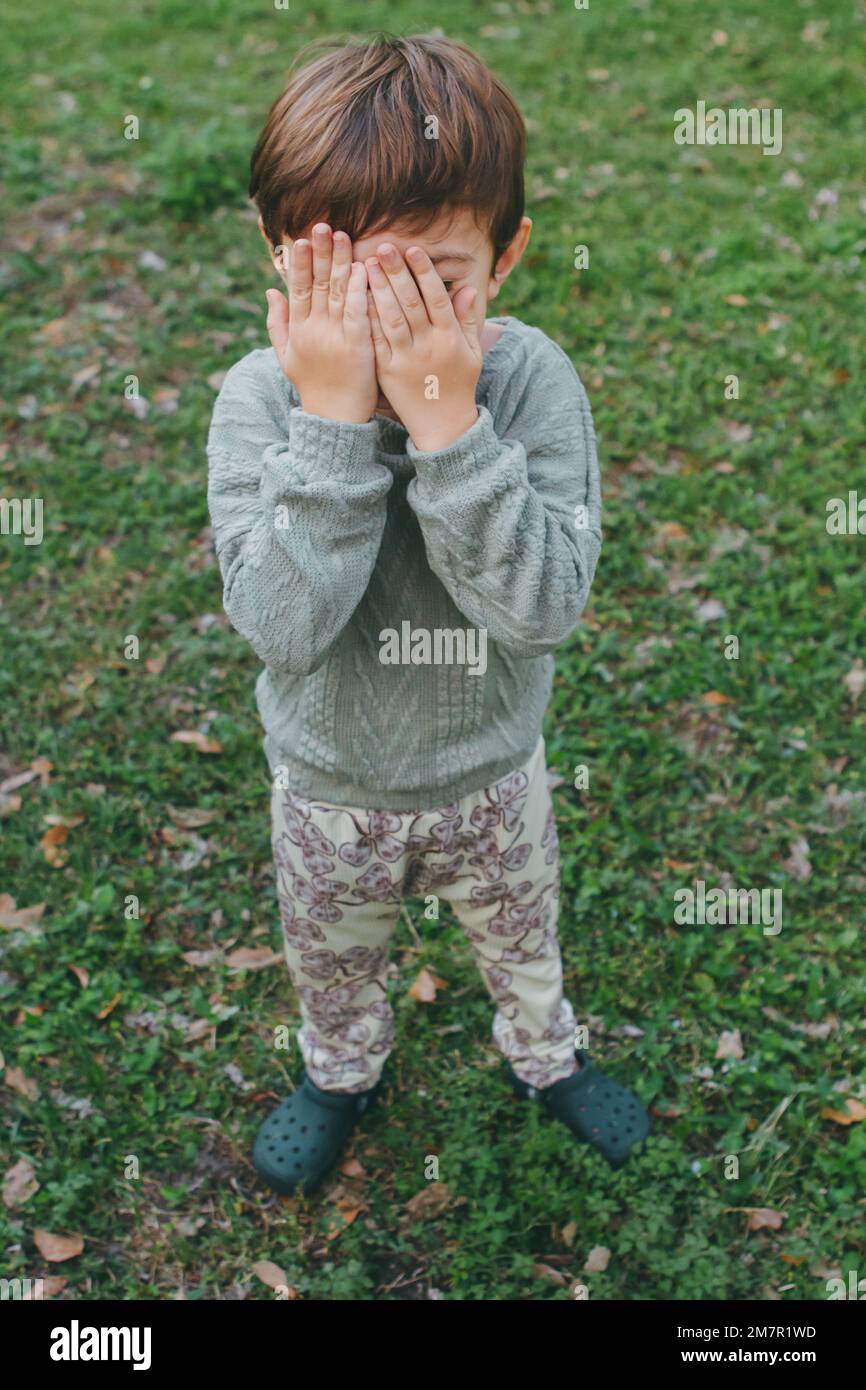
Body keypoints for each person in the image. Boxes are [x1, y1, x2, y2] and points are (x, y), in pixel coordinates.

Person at [206, 33, 650, 1195]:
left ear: (507, 257)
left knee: (521, 938)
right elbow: (284, 626)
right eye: (356, 278)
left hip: (490, 773)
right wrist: (333, 425)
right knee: (333, 958)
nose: (397, 320)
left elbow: (541, 607)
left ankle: (543, 1052)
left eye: (435, 279)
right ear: (279, 257)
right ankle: (339, 1068)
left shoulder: (528, 383)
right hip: (328, 786)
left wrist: (450, 426)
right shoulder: (258, 401)